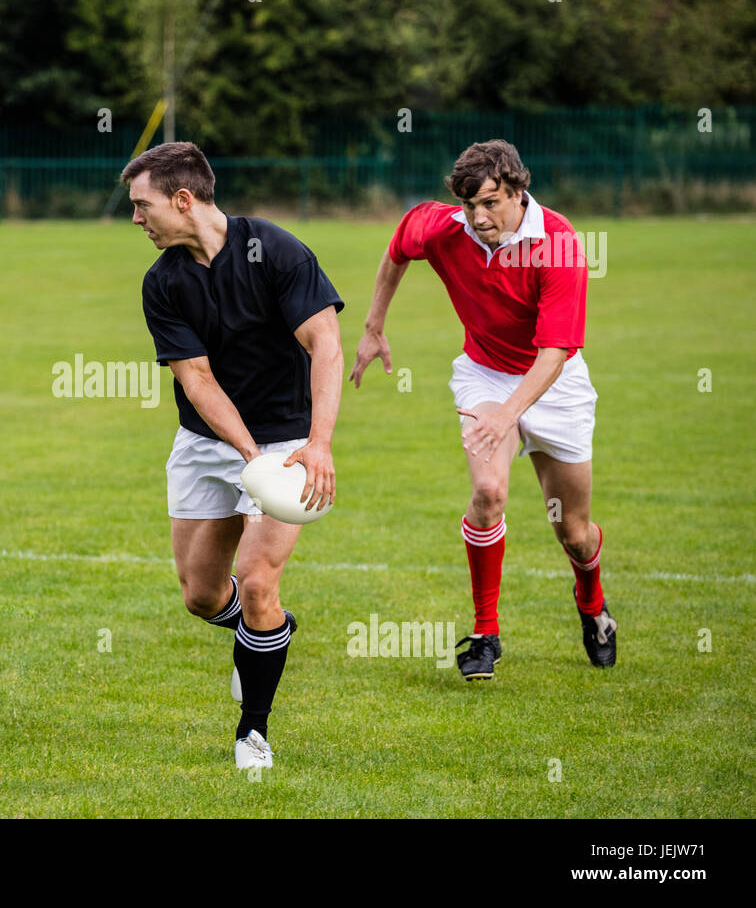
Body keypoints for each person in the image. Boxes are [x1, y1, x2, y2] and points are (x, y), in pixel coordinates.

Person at [350, 139, 616, 680]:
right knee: (489, 492)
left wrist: (508, 415)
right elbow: (399, 247)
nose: (478, 217)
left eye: (490, 203)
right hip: (483, 373)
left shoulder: (559, 243)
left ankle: (591, 603)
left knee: (574, 530)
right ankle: (485, 633)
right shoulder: (446, 226)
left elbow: (556, 353)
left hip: (555, 381)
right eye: (470, 205)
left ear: (518, 191)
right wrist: (373, 327)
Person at [123, 142, 344, 769]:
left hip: (287, 439)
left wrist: (317, 443)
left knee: (255, 581)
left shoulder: (274, 250)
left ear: (183, 200)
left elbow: (324, 343)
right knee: (200, 594)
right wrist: (249, 458)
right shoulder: (163, 280)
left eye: (143, 206)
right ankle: (266, 632)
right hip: (207, 440)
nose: (136, 219)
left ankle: (253, 732)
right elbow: (196, 378)